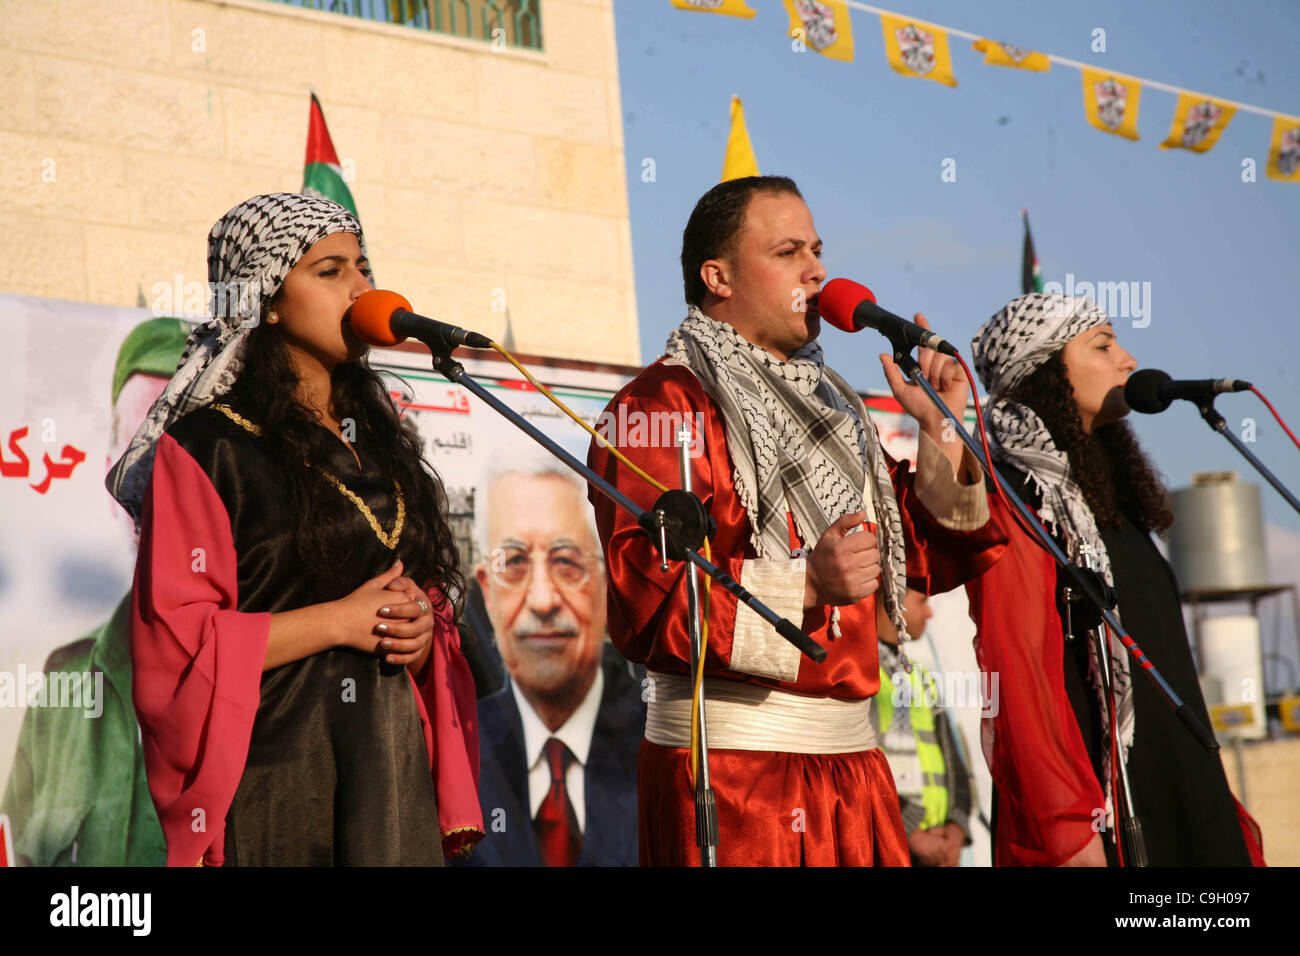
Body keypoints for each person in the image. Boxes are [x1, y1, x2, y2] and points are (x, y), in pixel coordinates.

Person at [587, 176, 1004, 866]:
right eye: (788, 252)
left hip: (855, 775)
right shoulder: (659, 405)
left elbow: (921, 559)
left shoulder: (837, 412)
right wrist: (805, 585)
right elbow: (646, 601)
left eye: (818, 250)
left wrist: (941, 428)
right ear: (716, 276)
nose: (817, 271)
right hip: (734, 776)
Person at [106, 192, 482, 866]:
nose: (364, 288)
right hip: (275, 775)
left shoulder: (386, 446)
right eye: (330, 270)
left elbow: (428, 609)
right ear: (267, 300)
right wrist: (338, 622)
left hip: (392, 778)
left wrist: (425, 633)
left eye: (363, 266)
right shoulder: (208, 448)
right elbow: (177, 643)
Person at [965, 292, 1263, 867]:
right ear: (1045, 369)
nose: (1128, 360)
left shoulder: (1107, 497)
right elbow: (1020, 669)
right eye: (1103, 345)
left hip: (1184, 787)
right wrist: (1070, 827)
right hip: (1102, 811)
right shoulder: (1018, 497)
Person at [2, 317, 188, 866]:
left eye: (182, 452)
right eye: (138, 455)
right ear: (109, 475)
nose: (154, 486)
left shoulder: (278, 675)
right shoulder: (63, 687)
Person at [465, 459, 642, 866]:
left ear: (604, 583)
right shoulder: (455, 755)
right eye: (514, 564)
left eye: (566, 562)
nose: (542, 600)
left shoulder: (662, 750)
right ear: (487, 592)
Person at [873, 588, 972, 867]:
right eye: (922, 601)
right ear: (893, 601)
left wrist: (955, 831)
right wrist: (911, 831)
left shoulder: (922, 677)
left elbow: (953, 761)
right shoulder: (859, 673)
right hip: (888, 842)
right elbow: (860, 770)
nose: (929, 612)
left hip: (937, 844)